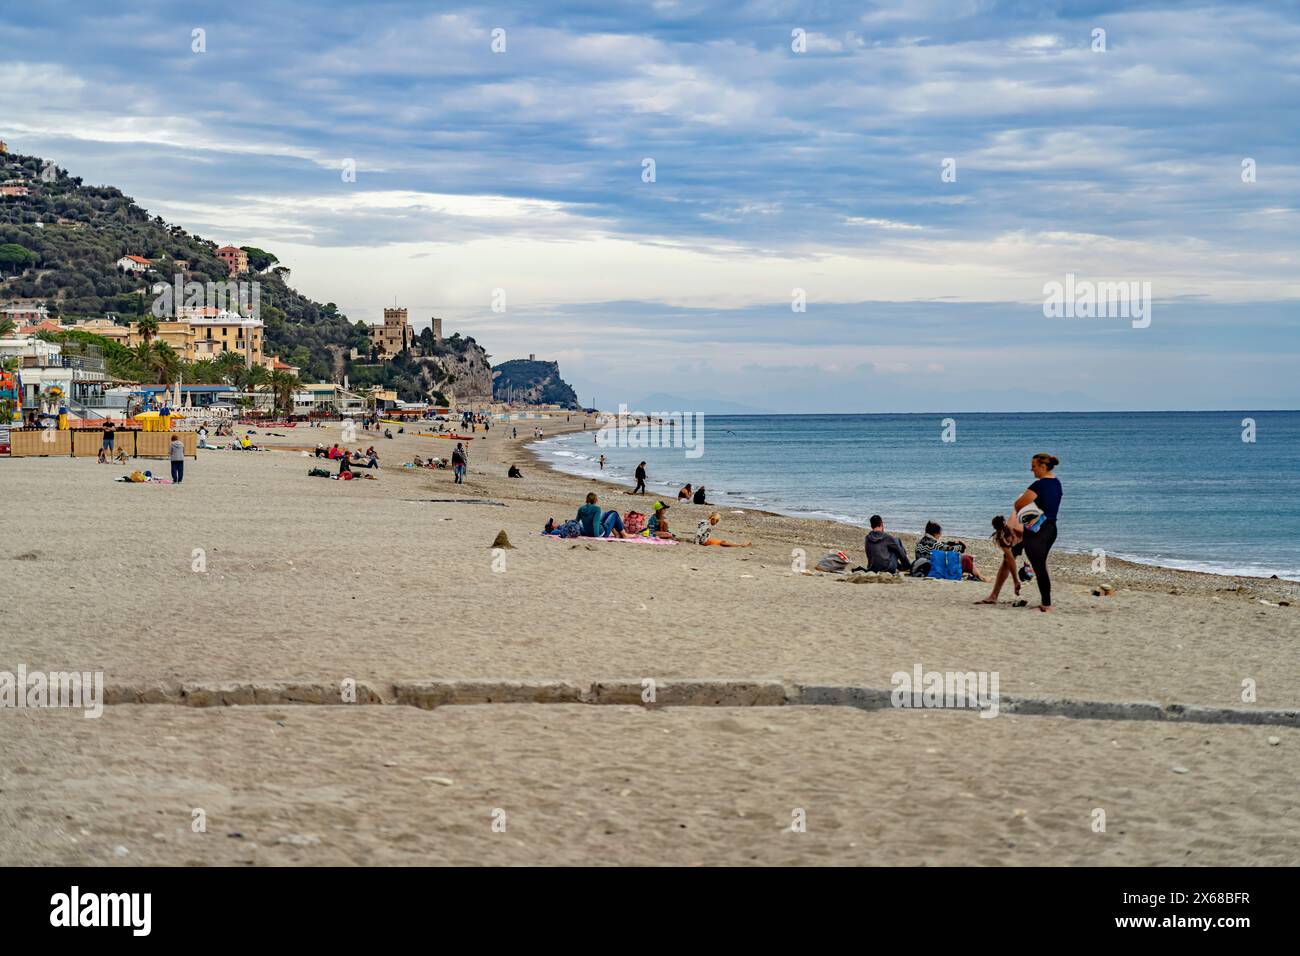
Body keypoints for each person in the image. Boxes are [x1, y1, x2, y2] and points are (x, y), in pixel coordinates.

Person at [1011, 453, 1062, 612]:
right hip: (1052, 529)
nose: (1031, 469)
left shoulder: (1039, 485)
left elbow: (1018, 504)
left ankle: (1046, 604)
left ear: (1043, 466)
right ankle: (1046, 602)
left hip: (1037, 531)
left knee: (1039, 568)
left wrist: (1026, 514)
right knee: (1040, 566)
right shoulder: (1057, 483)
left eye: (1033, 466)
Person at [977, 515, 1023, 604]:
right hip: (1020, 535)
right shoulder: (1002, 537)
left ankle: (1045, 601)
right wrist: (1015, 581)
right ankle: (994, 595)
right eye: (1009, 540)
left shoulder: (1017, 528)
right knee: (1006, 562)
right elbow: (1010, 559)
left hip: (1032, 534)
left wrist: (1015, 581)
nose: (1010, 540)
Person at [915, 521, 981, 580]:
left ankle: (976, 575)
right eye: (940, 533)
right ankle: (981, 577)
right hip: (934, 570)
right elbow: (952, 550)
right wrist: (961, 546)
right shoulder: (936, 545)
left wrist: (952, 543)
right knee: (966, 559)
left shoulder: (920, 542)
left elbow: (942, 545)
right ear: (935, 533)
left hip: (922, 568)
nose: (940, 535)